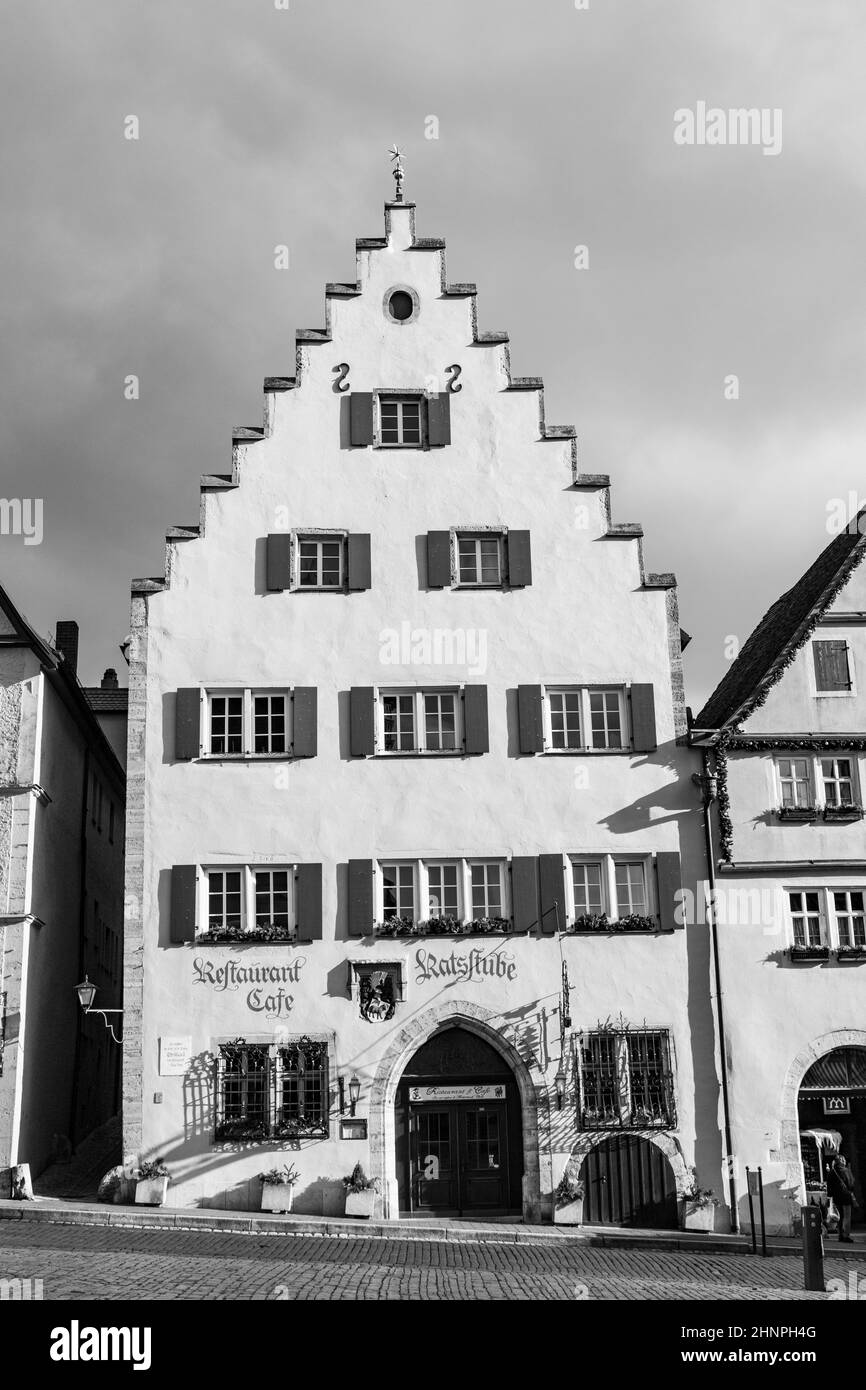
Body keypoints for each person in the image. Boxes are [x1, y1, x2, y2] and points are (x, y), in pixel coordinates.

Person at [827, 1154, 857, 1242]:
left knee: (839, 1217)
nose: (844, 1161)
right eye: (843, 1160)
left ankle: (840, 1235)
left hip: (836, 1198)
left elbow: (829, 1187)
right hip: (846, 1197)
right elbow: (851, 1185)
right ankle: (846, 1235)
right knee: (847, 1217)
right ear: (841, 1161)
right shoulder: (846, 1171)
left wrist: (829, 1197)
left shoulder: (832, 1172)